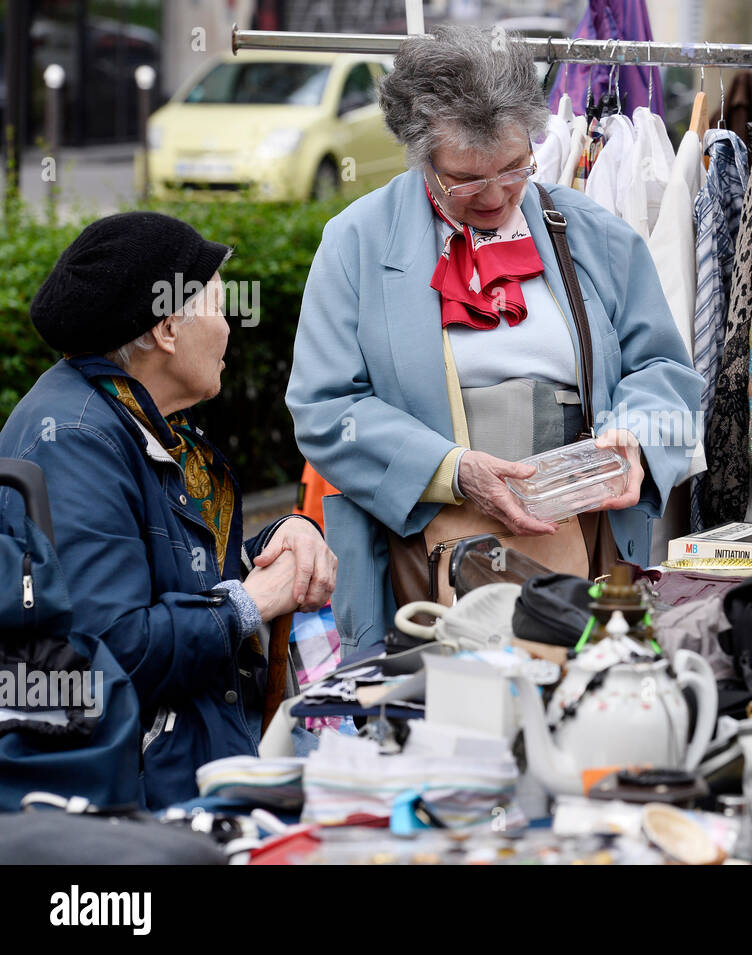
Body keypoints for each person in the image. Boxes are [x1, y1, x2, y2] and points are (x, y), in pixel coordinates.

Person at [286, 25, 703, 655]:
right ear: (420, 154)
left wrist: (636, 437)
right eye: (465, 179)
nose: (495, 195)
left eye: (514, 168)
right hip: (423, 554)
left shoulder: (593, 234)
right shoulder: (356, 243)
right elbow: (324, 408)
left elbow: (665, 369)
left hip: (581, 540)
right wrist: (452, 471)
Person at [0, 212, 337, 809]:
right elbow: (107, 650)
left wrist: (284, 536)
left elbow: (175, 566)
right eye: (215, 302)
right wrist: (254, 601)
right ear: (167, 329)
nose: (230, 322)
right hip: (135, 804)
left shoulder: (135, 417)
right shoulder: (75, 440)